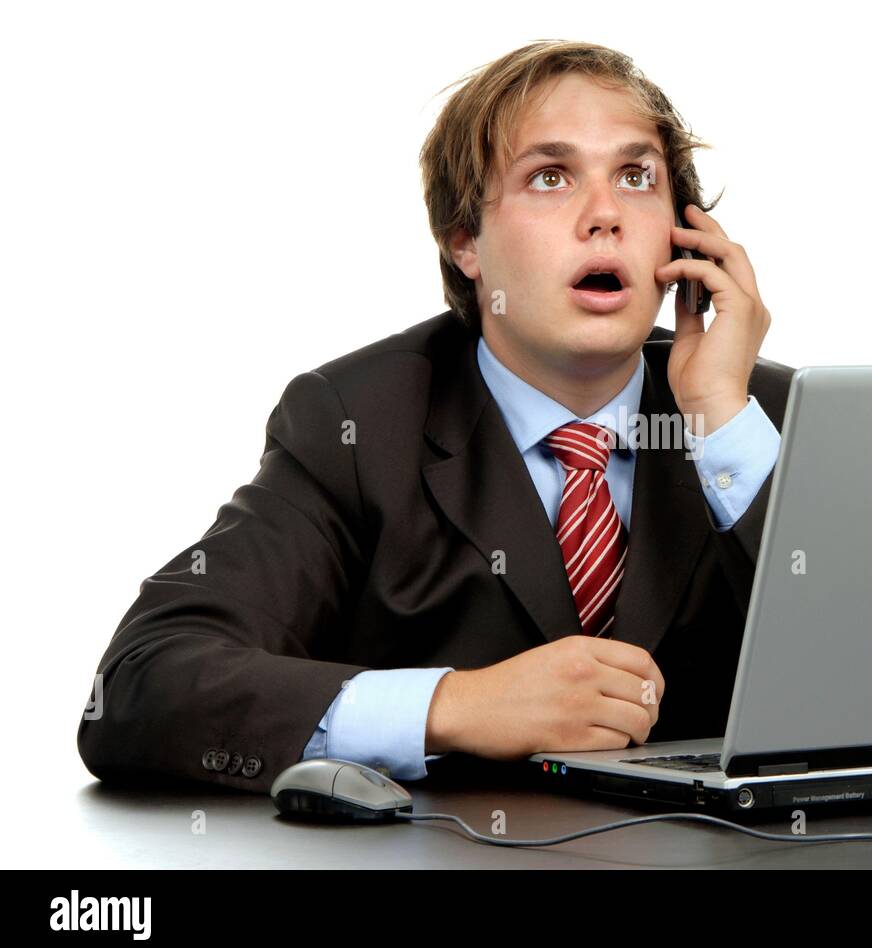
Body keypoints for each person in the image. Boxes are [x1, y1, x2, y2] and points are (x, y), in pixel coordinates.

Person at [78, 40, 793, 794]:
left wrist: (722, 419)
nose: (606, 215)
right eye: (550, 177)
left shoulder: (758, 416)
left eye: (636, 176)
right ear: (464, 242)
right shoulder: (356, 425)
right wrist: (453, 704)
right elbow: (139, 686)